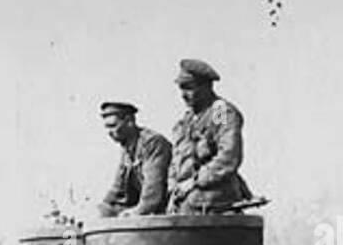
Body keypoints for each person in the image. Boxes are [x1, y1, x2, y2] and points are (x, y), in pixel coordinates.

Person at [167, 60, 249, 214]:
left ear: (206, 87)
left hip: (211, 199)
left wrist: (194, 182)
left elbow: (228, 157)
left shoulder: (219, 110)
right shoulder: (187, 120)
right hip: (185, 199)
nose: (183, 95)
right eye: (181, 89)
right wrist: (172, 183)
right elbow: (176, 159)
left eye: (189, 88)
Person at [96, 101, 171, 217]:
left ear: (129, 121)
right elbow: (117, 189)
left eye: (113, 126)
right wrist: (102, 208)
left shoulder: (152, 143)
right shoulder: (128, 148)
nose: (109, 132)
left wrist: (136, 212)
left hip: (168, 207)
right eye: (107, 127)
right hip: (151, 208)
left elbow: (153, 192)